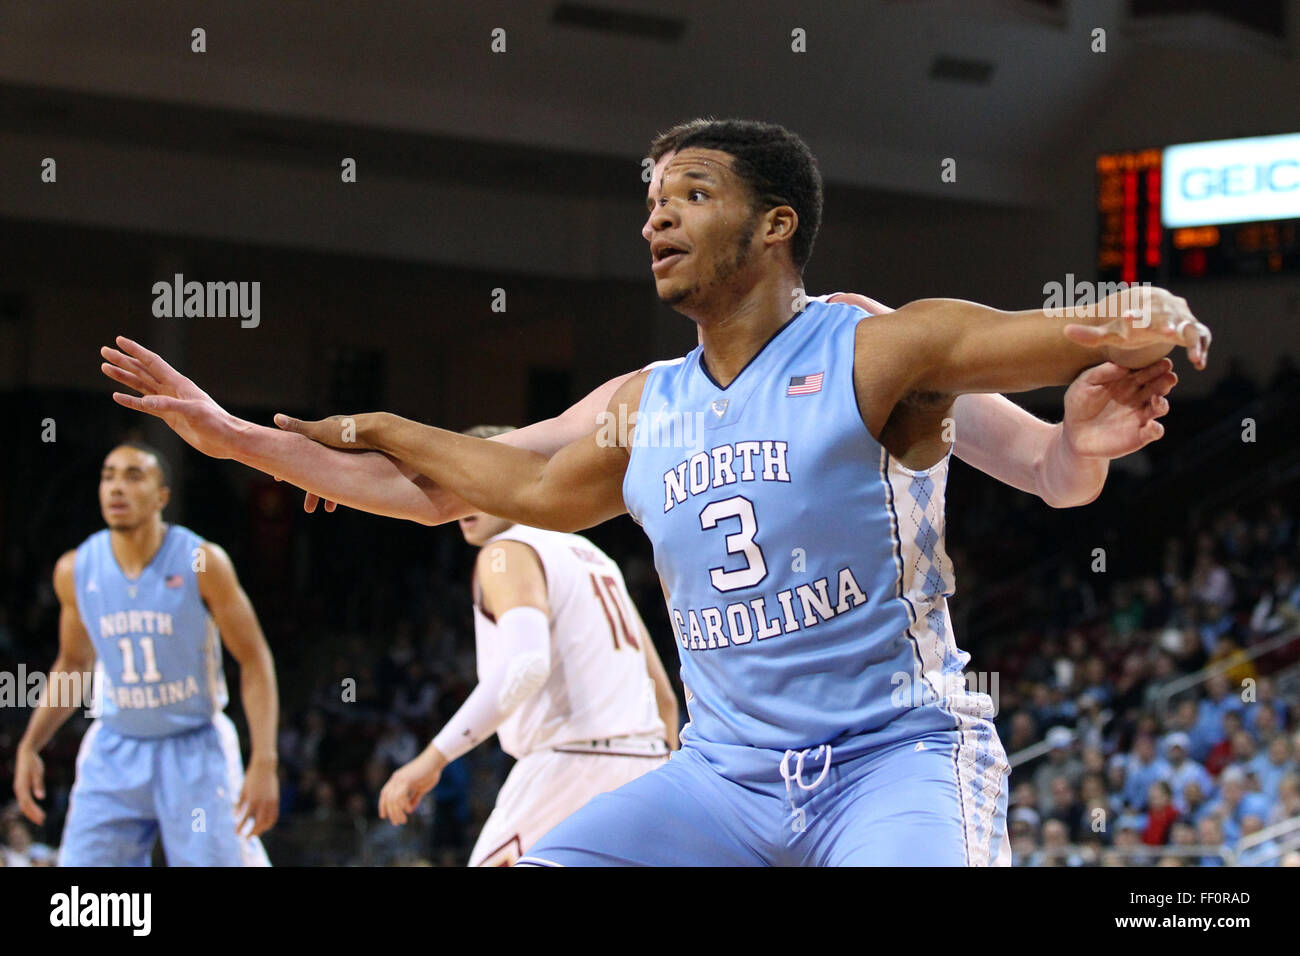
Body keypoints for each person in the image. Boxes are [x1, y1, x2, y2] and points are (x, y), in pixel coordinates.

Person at [108, 118, 1210, 865]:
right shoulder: (644, 406)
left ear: (774, 225)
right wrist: (238, 438)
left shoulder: (873, 347)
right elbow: (454, 482)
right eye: (651, 202)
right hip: (721, 775)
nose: (656, 218)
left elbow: (1045, 419)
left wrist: (1126, 339)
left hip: (892, 755)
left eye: (691, 193)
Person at [377, 428, 678, 865]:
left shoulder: (507, 552)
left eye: (474, 474)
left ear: (510, 477)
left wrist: (432, 758)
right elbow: (663, 695)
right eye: (451, 476)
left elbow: (525, 666)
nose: (459, 489)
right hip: (645, 764)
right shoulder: (593, 555)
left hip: (571, 767)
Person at [12, 443, 278, 866]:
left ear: (162, 497)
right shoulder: (75, 569)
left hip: (195, 746)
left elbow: (255, 659)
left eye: (134, 476)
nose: (117, 487)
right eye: (108, 475)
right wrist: (31, 743)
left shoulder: (202, 562)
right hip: (115, 746)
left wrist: (265, 759)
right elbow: (74, 663)